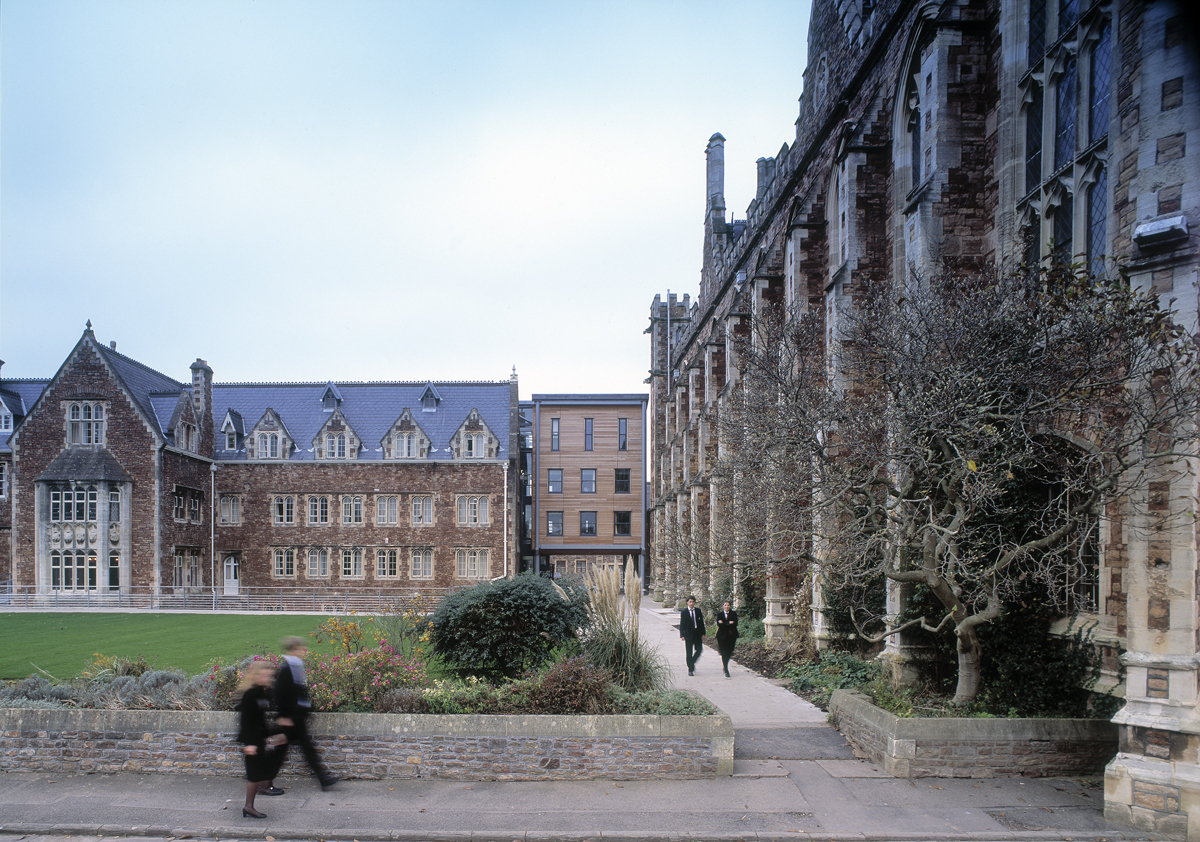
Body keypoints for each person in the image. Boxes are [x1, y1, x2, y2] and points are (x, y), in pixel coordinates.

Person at [274, 636, 339, 791]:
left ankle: (323, 778)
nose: (302, 652)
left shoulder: (296, 666)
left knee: (305, 748)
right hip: (290, 717)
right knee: (281, 752)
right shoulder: (286, 669)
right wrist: (283, 716)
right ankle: (261, 778)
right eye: (299, 649)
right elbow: (279, 693)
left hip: (297, 716)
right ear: (292, 650)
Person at [236, 660, 288, 819]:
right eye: (265, 676)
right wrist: (248, 744)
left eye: (269, 676)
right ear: (257, 676)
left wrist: (272, 735)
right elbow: (246, 721)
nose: (268, 679)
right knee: (253, 775)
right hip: (252, 742)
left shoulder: (261, 693)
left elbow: (260, 720)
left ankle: (250, 805)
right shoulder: (250, 695)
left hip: (258, 740)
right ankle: (248, 807)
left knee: (256, 774)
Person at [679, 596, 706, 676]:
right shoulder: (684, 612)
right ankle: (690, 669)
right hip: (688, 634)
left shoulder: (698, 611)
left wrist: (703, 633)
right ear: (687, 602)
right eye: (690, 602)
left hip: (697, 633)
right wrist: (682, 635)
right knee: (689, 652)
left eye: (693, 602)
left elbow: (701, 623)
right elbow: (682, 624)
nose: (692, 603)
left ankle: (692, 662)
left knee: (699, 649)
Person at [714, 600, 739, 678]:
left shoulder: (733, 613)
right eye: (725, 605)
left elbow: (735, 623)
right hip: (722, 636)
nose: (726, 607)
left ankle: (725, 665)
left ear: (730, 606)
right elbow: (719, 625)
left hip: (732, 635)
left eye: (728, 605)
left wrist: (724, 623)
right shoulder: (720, 614)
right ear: (723, 606)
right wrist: (728, 623)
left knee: (730, 651)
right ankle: (726, 668)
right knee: (724, 652)